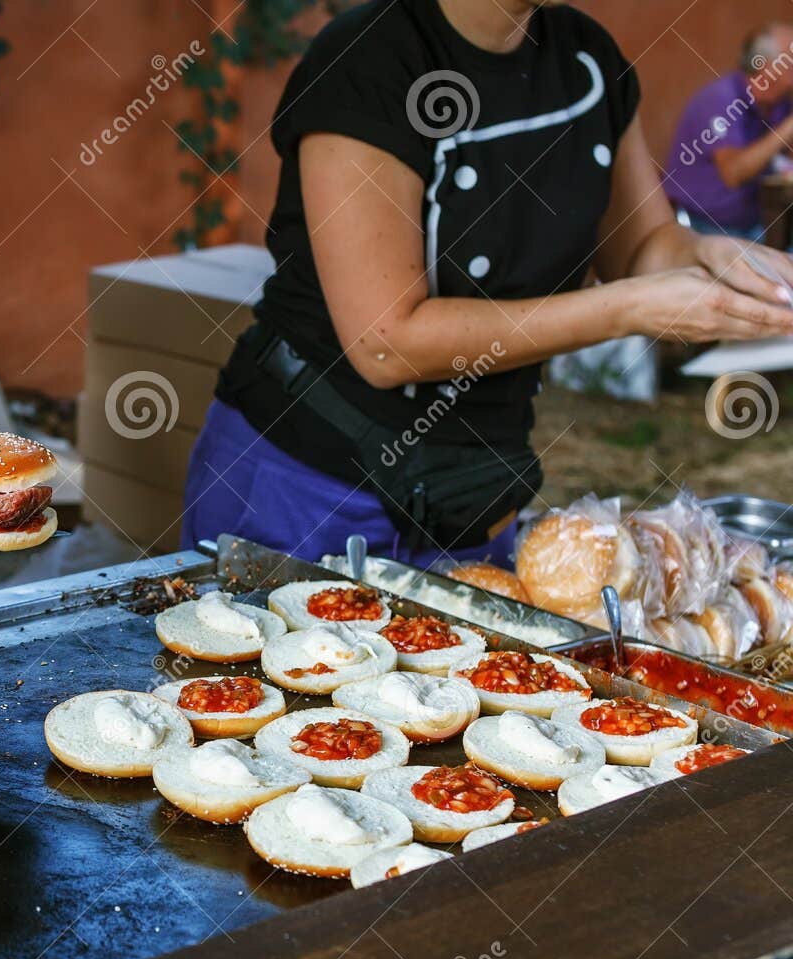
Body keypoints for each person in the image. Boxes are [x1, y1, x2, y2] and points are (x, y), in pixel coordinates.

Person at [183, 0, 793, 569]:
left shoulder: (586, 58)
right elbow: (386, 343)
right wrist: (625, 310)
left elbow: (641, 246)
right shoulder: (370, 60)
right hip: (305, 484)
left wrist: (715, 256)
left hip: (474, 485)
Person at [664, 24, 793, 240]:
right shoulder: (721, 99)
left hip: (749, 227)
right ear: (769, 67)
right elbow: (733, 173)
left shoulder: (781, 103)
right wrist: (788, 129)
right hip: (697, 227)